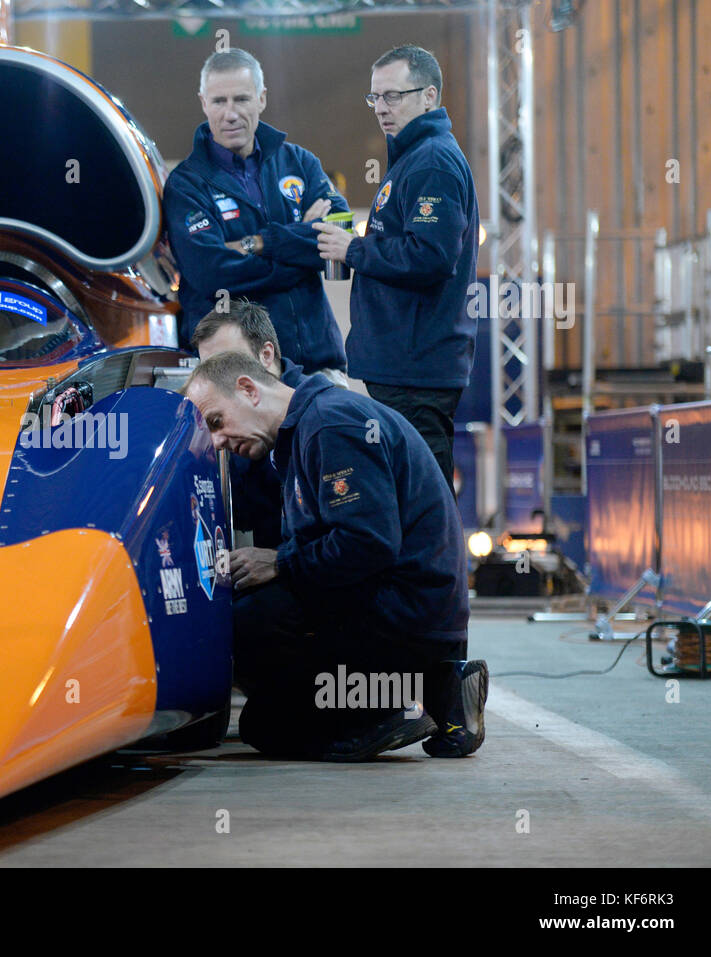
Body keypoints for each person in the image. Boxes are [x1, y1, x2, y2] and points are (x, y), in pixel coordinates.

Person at [183, 350, 487, 760]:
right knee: (250, 622)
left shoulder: (332, 425)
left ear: (248, 389)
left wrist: (279, 562)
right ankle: (436, 689)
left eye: (217, 422)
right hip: (404, 615)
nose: (218, 442)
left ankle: (389, 706)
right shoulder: (304, 431)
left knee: (262, 700)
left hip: (403, 620)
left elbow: (368, 543)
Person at [314, 44, 479, 492]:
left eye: (393, 96)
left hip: (417, 368)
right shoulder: (414, 158)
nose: (381, 109)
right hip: (407, 365)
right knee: (410, 494)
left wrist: (355, 250)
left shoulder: (432, 162)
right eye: (375, 98)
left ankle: (433, 566)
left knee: (422, 498)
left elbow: (431, 256)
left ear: (429, 96)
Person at [164, 48, 350, 384]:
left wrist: (265, 242)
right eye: (219, 101)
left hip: (317, 366)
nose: (230, 114)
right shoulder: (185, 184)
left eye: (241, 99)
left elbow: (340, 245)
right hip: (234, 377)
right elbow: (212, 274)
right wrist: (302, 242)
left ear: (262, 99)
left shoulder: (300, 163)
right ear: (203, 103)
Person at [191, 298, 304, 550]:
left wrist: (280, 564)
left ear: (266, 355)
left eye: (227, 362)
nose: (217, 378)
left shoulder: (321, 419)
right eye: (209, 367)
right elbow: (242, 514)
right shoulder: (226, 421)